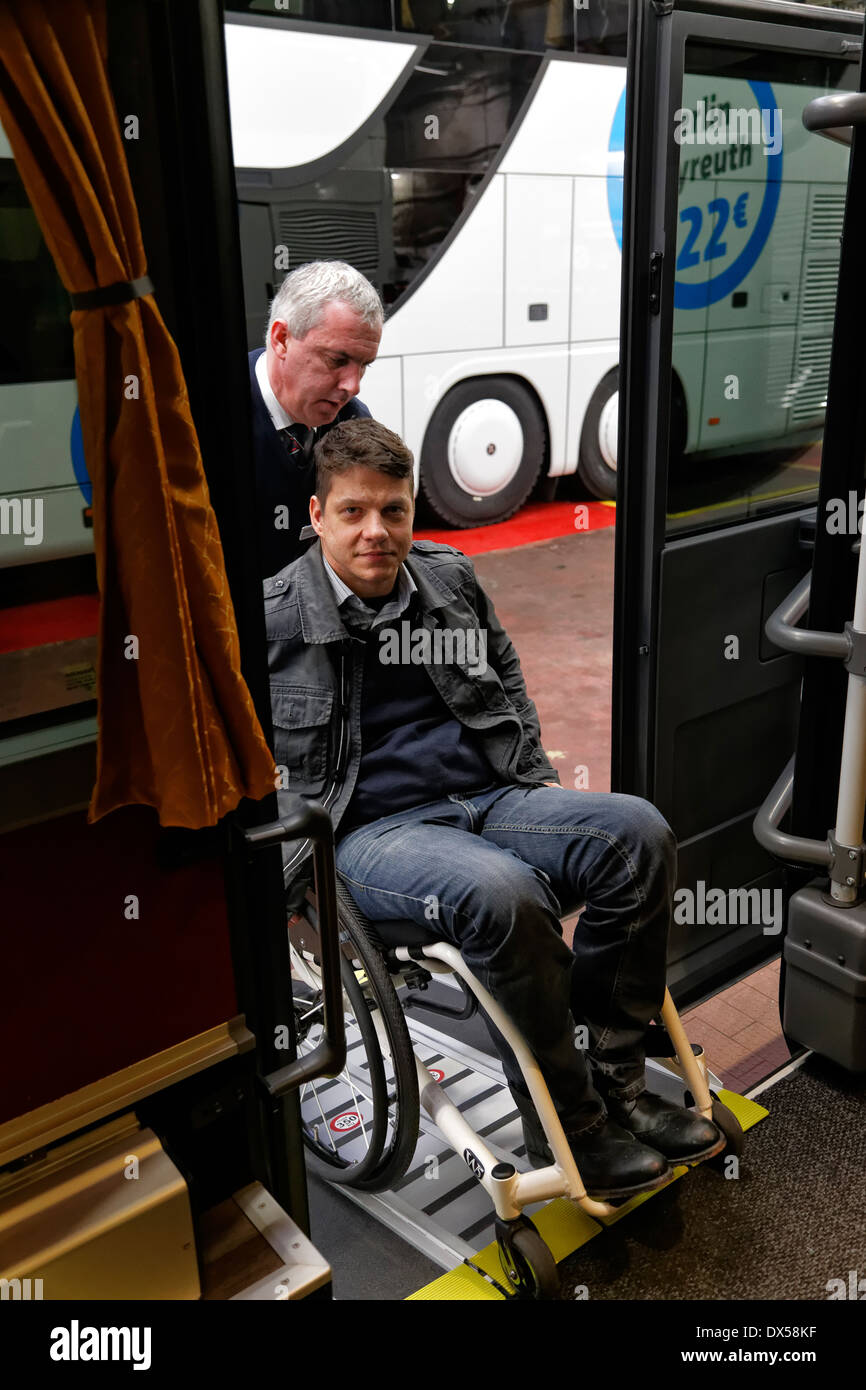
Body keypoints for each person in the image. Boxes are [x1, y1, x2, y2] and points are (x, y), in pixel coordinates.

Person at [264, 417, 724, 1199]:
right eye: (353, 511)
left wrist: (532, 772)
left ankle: (617, 1079)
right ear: (318, 516)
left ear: (413, 509)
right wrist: (284, 879)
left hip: (488, 796)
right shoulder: (273, 618)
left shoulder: (446, 577)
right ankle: (571, 1126)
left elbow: (503, 667)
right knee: (501, 892)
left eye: (395, 510)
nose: (377, 531)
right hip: (370, 835)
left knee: (637, 833)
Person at [249, 260, 383, 578]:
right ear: (281, 339)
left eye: (365, 365)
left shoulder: (353, 421)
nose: (353, 386)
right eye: (338, 360)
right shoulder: (203, 420)